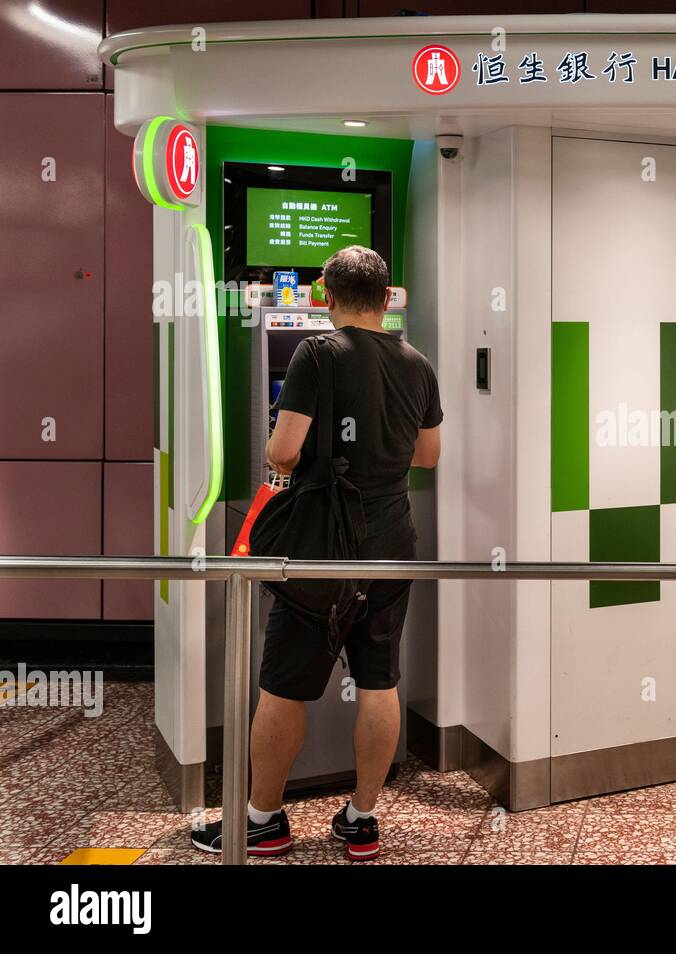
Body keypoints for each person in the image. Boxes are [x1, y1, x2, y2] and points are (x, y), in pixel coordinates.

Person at [193, 245, 442, 861]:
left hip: (322, 545)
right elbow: (428, 456)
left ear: (327, 298)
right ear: (387, 300)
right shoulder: (418, 364)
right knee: (380, 680)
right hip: (393, 542)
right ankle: (361, 819)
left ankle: (262, 821)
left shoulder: (315, 352)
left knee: (284, 686)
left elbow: (282, 451)